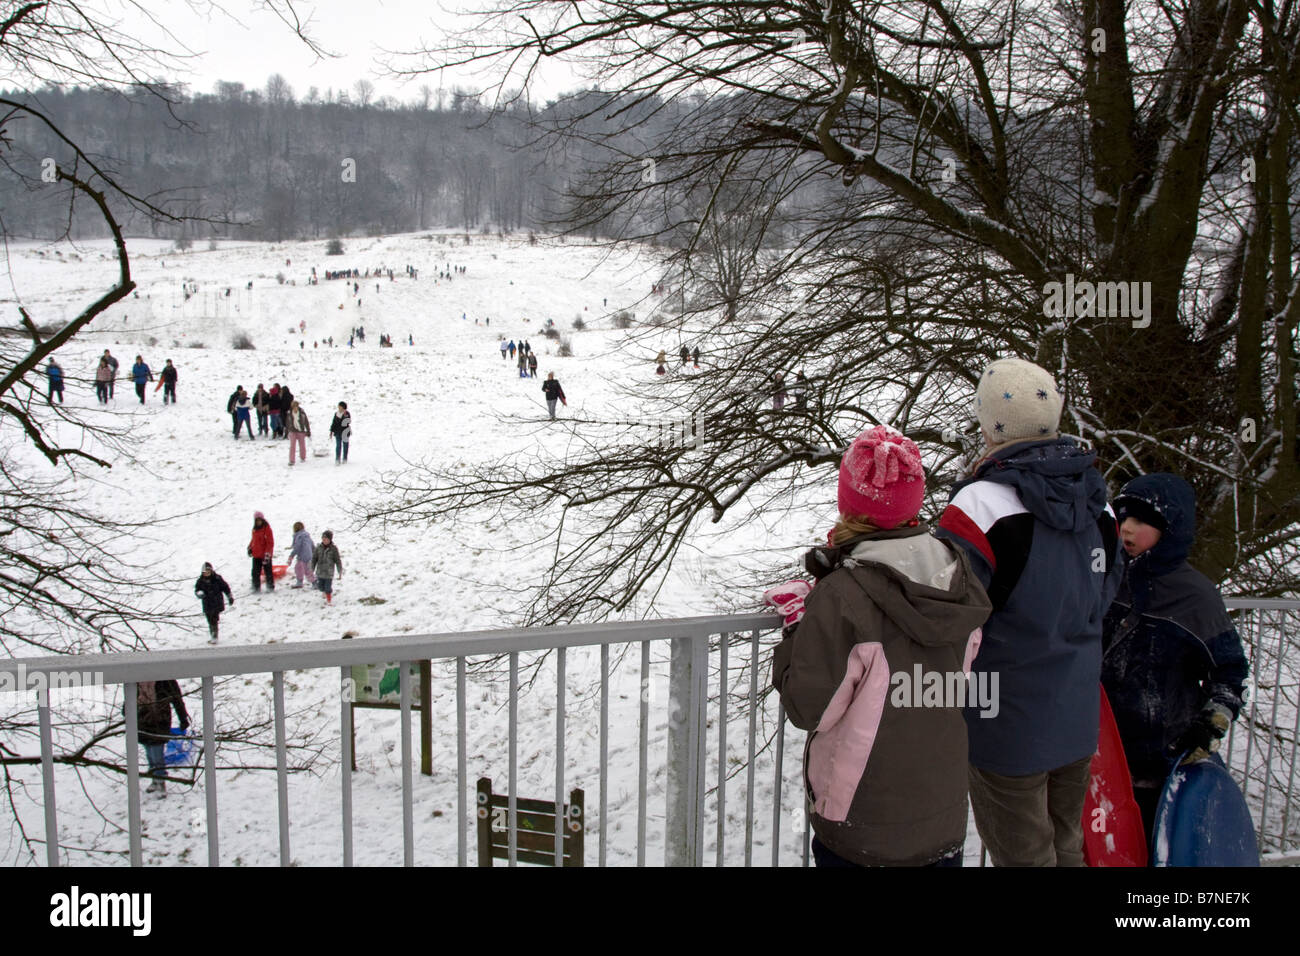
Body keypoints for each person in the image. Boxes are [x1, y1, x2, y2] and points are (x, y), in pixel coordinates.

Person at [769, 426, 992, 866]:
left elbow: (808, 707)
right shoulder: (958, 575)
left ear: (848, 501)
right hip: (942, 816)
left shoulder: (845, 596)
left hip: (864, 826)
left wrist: (798, 627)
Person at [934, 358, 1122, 867]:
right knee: (1067, 846)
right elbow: (1105, 597)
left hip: (1007, 723)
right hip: (1076, 714)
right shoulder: (1099, 503)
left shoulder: (980, 505)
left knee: (1025, 857)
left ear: (988, 421)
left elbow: (948, 612)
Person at [1101, 473, 1249, 841]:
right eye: (1124, 518)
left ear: (1171, 529)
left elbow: (1229, 675)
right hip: (1096, 755)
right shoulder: (1106, 578)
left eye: (1142, 521)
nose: (1127, 529)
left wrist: (1211, 724)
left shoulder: (1197, 598)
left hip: (1158, 768)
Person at [132, 680, 190, 797]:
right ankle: (155, 779)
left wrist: (183, 718)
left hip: (159, 720)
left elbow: (177, 699)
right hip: (142, 720)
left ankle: (161, 782)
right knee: (149, 752)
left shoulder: (165, 679)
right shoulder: (136, 678)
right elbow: (130, 697)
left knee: (157, 752)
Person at [194, 562, 233, 644]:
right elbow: (197, 590)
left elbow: (225, 587)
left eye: (208, 571)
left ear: (211, 571)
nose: (207, 573)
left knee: (213, 619)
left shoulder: (217, 579)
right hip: (207, 603)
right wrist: (199, 594)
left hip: (216, 602)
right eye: (205, 572)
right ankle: (213, 634)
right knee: (209, 619)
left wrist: (229, 596)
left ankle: (214, 636)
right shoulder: (200, 581)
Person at [311, 530, 344, 605]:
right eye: (323, 538)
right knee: (320, 586)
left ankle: (329, 600)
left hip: (329, 572)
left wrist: (339, 569)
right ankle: (324, 591)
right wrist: (312, 567)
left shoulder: (333, 549)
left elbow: (337, 560)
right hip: (320, 571)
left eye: (326, 539)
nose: (324, 540)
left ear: (330, 540)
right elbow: (314, 559)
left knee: (328, 587)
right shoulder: (318, 548)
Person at [248, 511, 275, 592]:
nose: (258, 522)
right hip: (256, 555)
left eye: (260, 520)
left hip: (265, 555)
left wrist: (267, 554)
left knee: (268, 572)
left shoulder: (267, 529)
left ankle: (270, 587)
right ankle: (256, 587)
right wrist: (250, 547)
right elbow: (253, 540)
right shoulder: (254, 529)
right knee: (255, 572)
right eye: (257, 520)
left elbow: (270, 542)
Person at [286, 522, 316, 589]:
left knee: (302, 569)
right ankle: (307, 582)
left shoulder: (299, 536)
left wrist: (291, 556)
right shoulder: (307, 535)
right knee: (303, 569)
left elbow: (297, 547)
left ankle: (312, 582)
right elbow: (312, 545)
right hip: (309, 555)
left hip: (302, 556)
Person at [285, 399, 311, 466]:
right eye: (294, 407)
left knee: (302, 445)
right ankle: (292, 460)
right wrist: (286, 432)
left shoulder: (302, 413)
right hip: (292, 431)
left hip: (301, 431)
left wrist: (308, 430)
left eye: (296, 407)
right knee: (292, 446)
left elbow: (306, 422)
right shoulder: (289, 413)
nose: (295, 408)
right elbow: (287, 423)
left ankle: (303, 457)